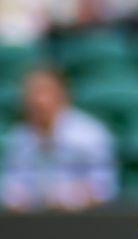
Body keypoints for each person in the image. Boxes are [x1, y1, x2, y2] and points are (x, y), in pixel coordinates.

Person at [1, 66, 118, 210]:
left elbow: (105, 188)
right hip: (31, 224)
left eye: (45, 91)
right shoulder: (18, 139)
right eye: (32, 93)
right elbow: (9, 188)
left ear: (63, 94)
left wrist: (69, 197)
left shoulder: (90, 135)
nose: (38, 100)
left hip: (82, 222)